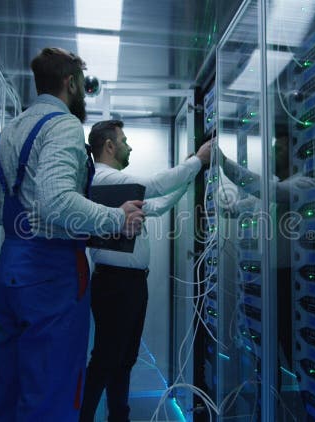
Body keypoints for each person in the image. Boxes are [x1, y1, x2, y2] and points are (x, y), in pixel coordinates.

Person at [0, 48, 145, 422]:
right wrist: (116, 219)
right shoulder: (63, 126)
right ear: (70, 83)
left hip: (11, 270)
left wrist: (27, 226)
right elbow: (55, 201)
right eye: (82, 86)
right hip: (52, 275)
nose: (82, 94)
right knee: (51, 393)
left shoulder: (8, 132)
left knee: (7, 390)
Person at [79, 120, 212, 422]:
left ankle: (119, 418)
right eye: (124, 140)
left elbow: (159, 204)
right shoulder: (104, 179)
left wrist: (191, 176)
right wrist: (196, 161)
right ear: (109, 146)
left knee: (122, 359)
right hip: (115, 284)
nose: (129, 146)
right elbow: (155, 185)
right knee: (105, 359)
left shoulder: (120, 185)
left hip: (130, 284)